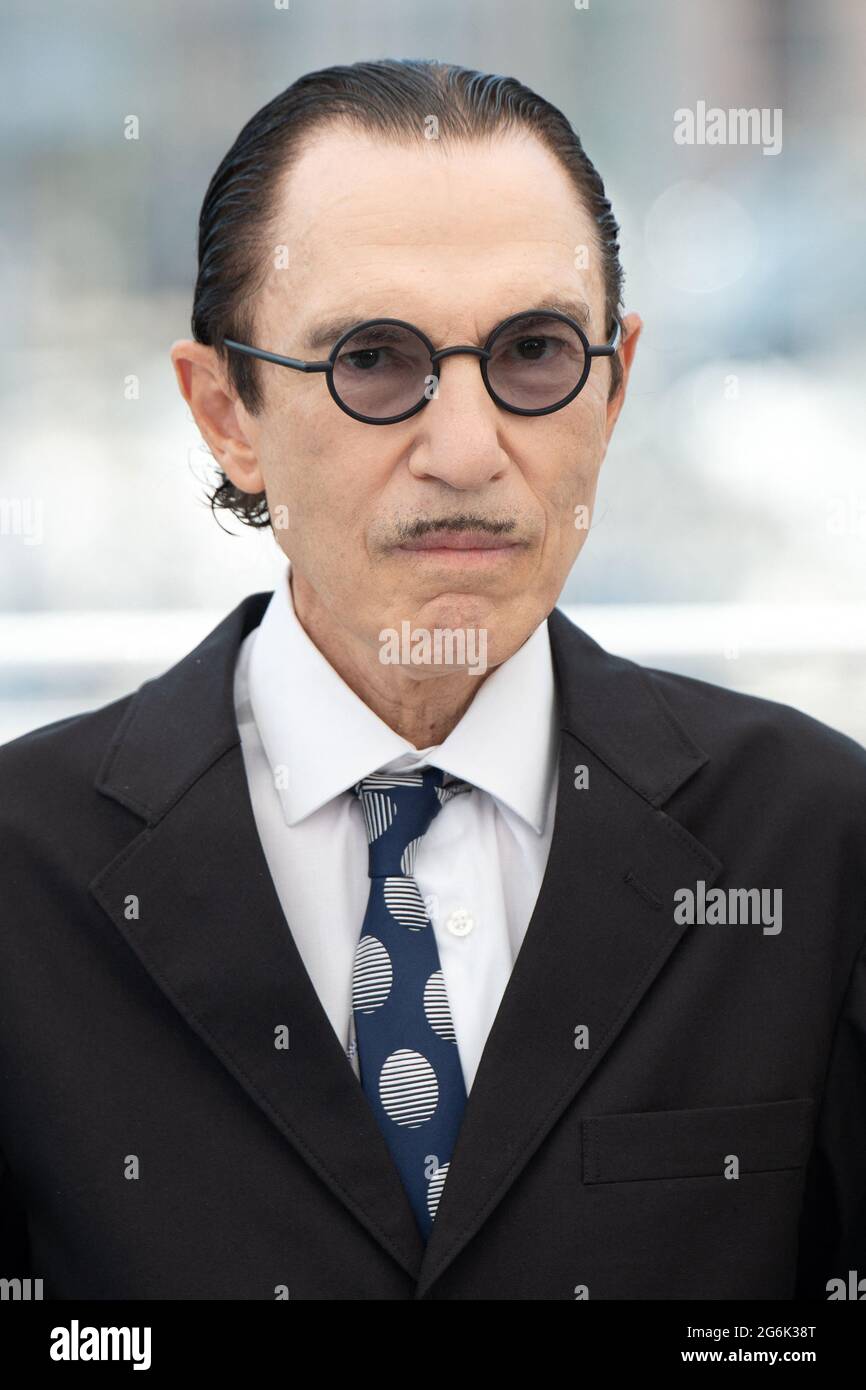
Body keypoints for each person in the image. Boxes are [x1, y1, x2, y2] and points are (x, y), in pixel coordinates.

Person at [1, 58, 864, 1302]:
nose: (465, 450)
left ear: (613, 386)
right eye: (371, 359)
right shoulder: (25, 876)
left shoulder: (811, 842)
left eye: (531, 351)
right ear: (224, 412)